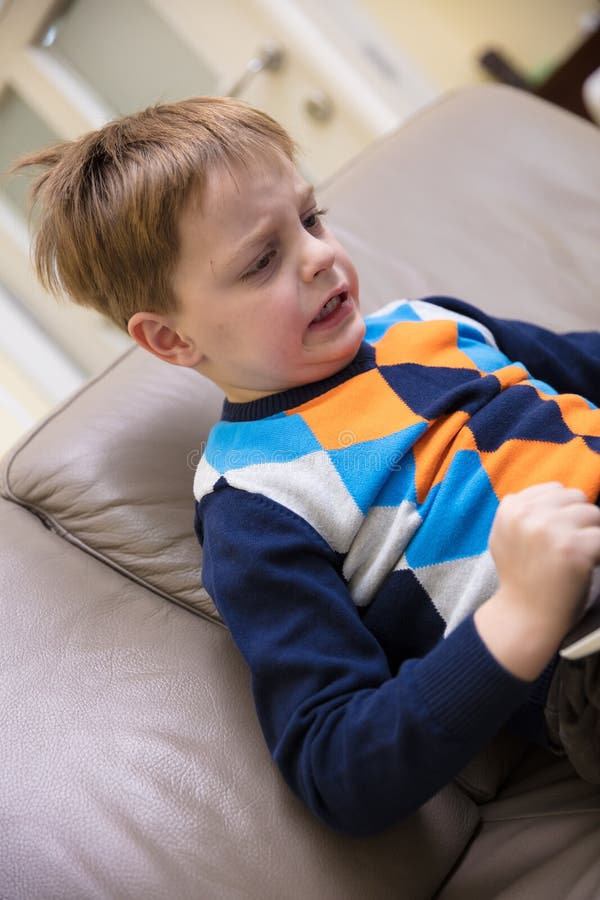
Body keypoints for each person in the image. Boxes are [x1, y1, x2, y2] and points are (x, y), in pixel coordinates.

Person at [14, 96, 600, 837]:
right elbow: (336, 765)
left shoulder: (431, 323)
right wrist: (518, 618)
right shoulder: (255, 504)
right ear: (169, 338)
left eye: (312, 218)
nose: (320, 254)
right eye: (263, 260)